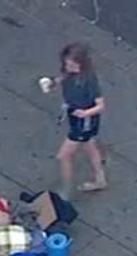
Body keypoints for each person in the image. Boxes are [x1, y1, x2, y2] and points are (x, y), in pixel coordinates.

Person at [53, 43, 108, 195]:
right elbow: (63, 77)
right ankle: (100, 179)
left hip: (83, 121)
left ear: (80, 64)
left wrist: (85, 113)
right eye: (66, 63)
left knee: (63, 156)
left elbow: (101, 106)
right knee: (89, 146)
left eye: (71, 64)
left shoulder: (89, 81)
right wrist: (53, 83)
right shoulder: (69, 71)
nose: (67, 66)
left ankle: (65, 191)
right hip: (75, 114)